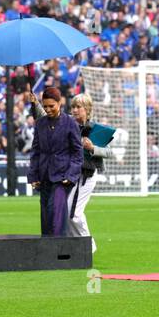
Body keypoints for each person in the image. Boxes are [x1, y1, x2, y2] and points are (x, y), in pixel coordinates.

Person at [27, 87, 82, 236]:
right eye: (45, 106)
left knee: (56, 217)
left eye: (51, 106)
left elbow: (78, 153)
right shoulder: (40, 123)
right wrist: (34, 176)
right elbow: (36, 152)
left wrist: (70, 176)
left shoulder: (70, 123)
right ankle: (47, 252)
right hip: (44, 177)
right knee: (45, 217)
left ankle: (58, 253)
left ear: (60, 103)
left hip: (61, 178)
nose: (48, 109)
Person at [69, 95, 109, 251]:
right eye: (73, 107)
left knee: (75, 214)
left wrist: (92, 148)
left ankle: (88, 244)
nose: (75, 110)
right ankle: (80, 246)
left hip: (87, 174)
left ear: (87, 109)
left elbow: (109, 152)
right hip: (71, 175)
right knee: (67, 214)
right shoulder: (68, 126)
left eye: (78, 107)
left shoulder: (96, 129)